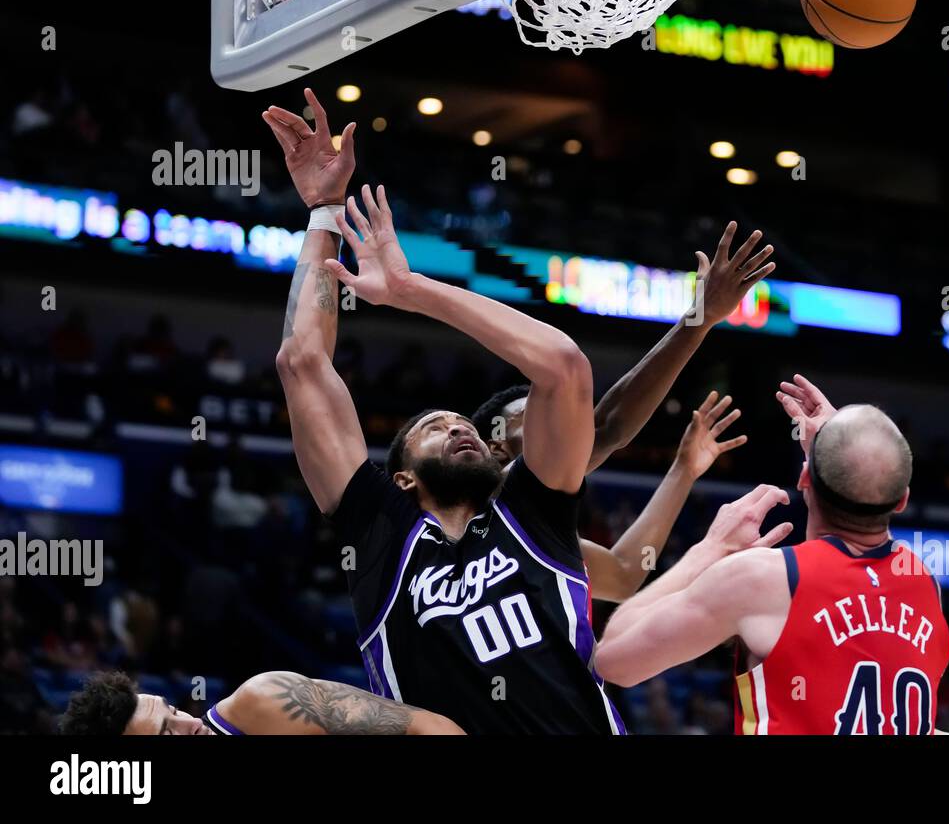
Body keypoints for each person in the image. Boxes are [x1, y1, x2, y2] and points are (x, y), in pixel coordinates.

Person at [268, 91, 620, 732]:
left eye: (464, 425)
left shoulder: (532, 512)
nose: (460, 425)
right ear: (402, 477)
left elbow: (565, 367)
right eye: (434, 428)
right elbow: (302, 362)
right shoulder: (382, 533)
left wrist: (410, 290)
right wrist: (323, 211)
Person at [595, 375, 949, 735]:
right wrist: (842, 444)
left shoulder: (763, 578)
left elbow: (613, 661)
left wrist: (708, 550)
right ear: (903, 500)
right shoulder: (923, 582)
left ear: (804, 480)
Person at [471, 219, 775, 602]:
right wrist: (699, 320)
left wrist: (683, 471)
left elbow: (623, 574)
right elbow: (607, 427)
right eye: (531, 411)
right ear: (496, 445)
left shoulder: (536, 528)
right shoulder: (477, 502)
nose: (558, 417)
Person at [61, 670, 462, 735]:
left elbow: (422, 725)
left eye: (174, 711)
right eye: (168, 733)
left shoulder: (265, 702)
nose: (190, 724)